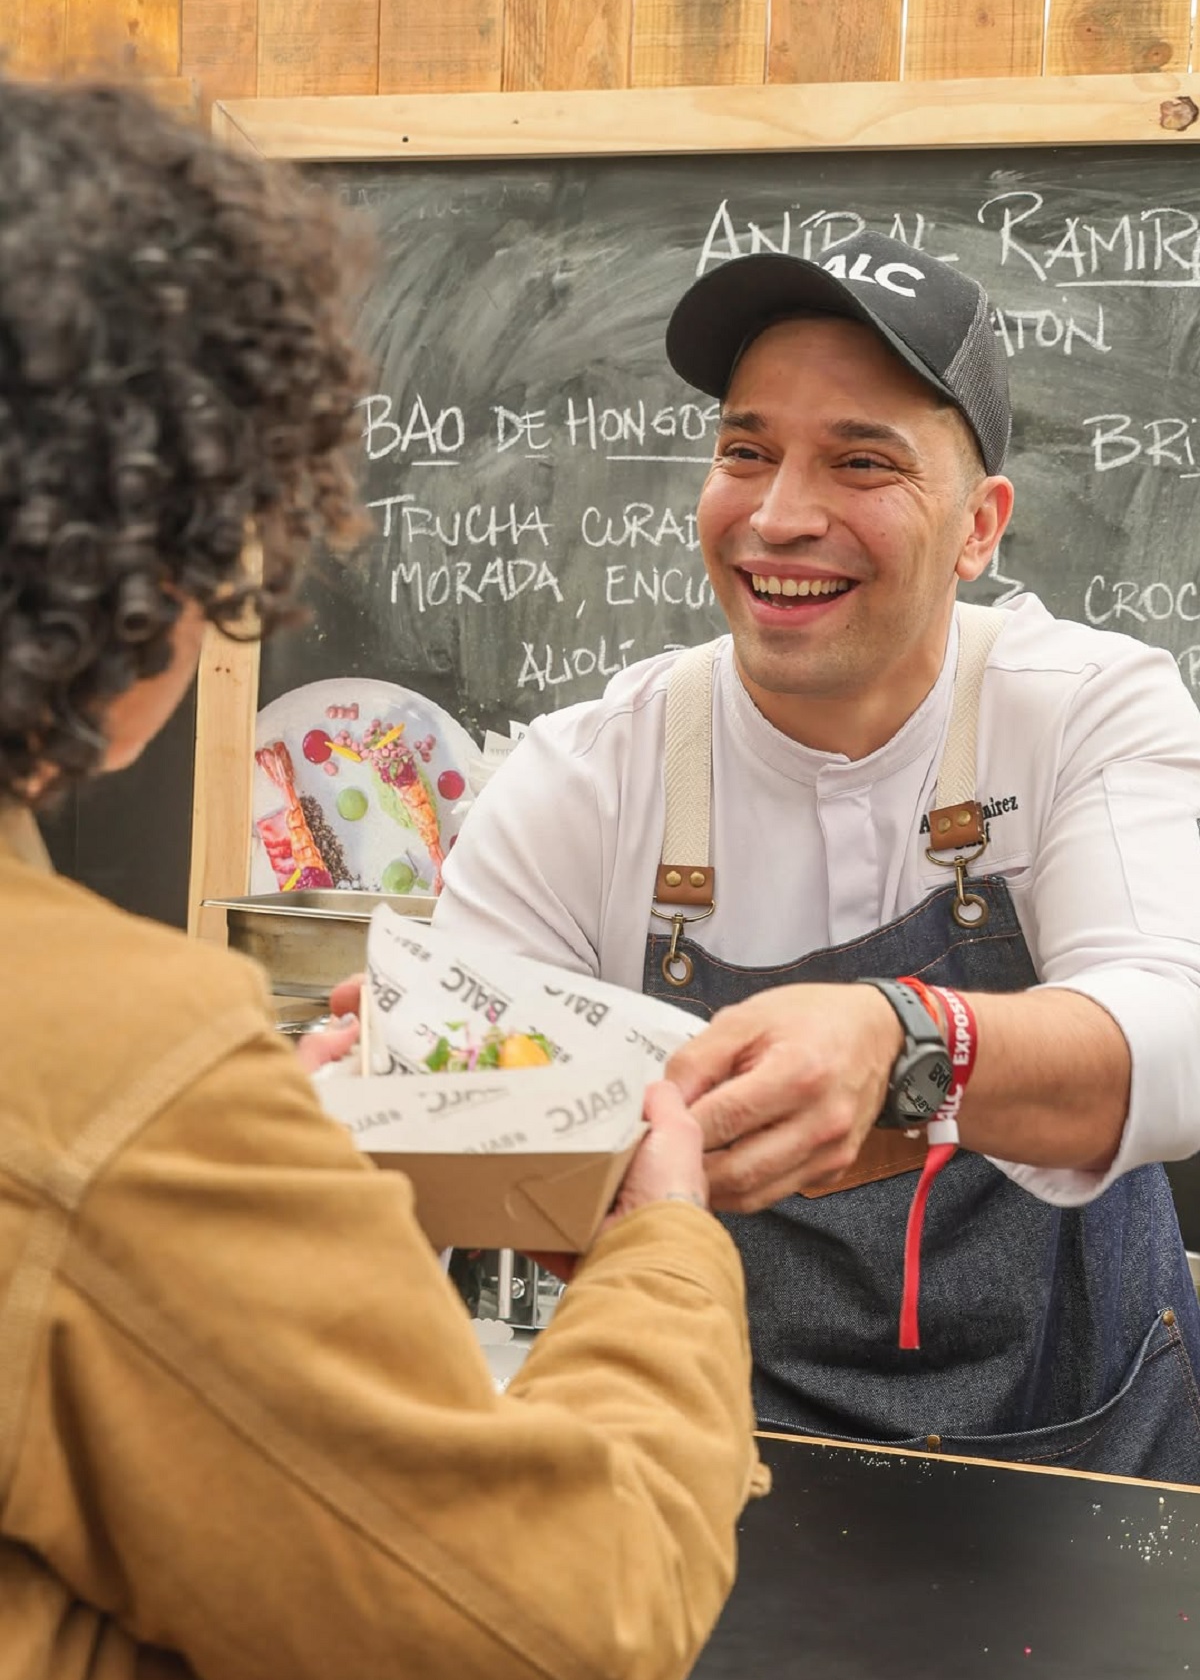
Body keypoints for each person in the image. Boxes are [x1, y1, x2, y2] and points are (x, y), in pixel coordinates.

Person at [0, 74, 765, 1680]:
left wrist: (251, 1146)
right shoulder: (112, 1065)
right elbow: (560, 1616)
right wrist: (665, 1245)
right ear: (151, 554)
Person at [435, 230, 1200, 1483]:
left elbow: (1174, 1034)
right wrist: (419, 1088)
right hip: (708, 1464)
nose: (781, 516)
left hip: (1088, 1469)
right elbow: (465, 1138)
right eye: (747, 452)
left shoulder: (1083, 709)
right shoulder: (586, 775)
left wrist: (908, 1041)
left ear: (979, 527)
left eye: (861, 461)